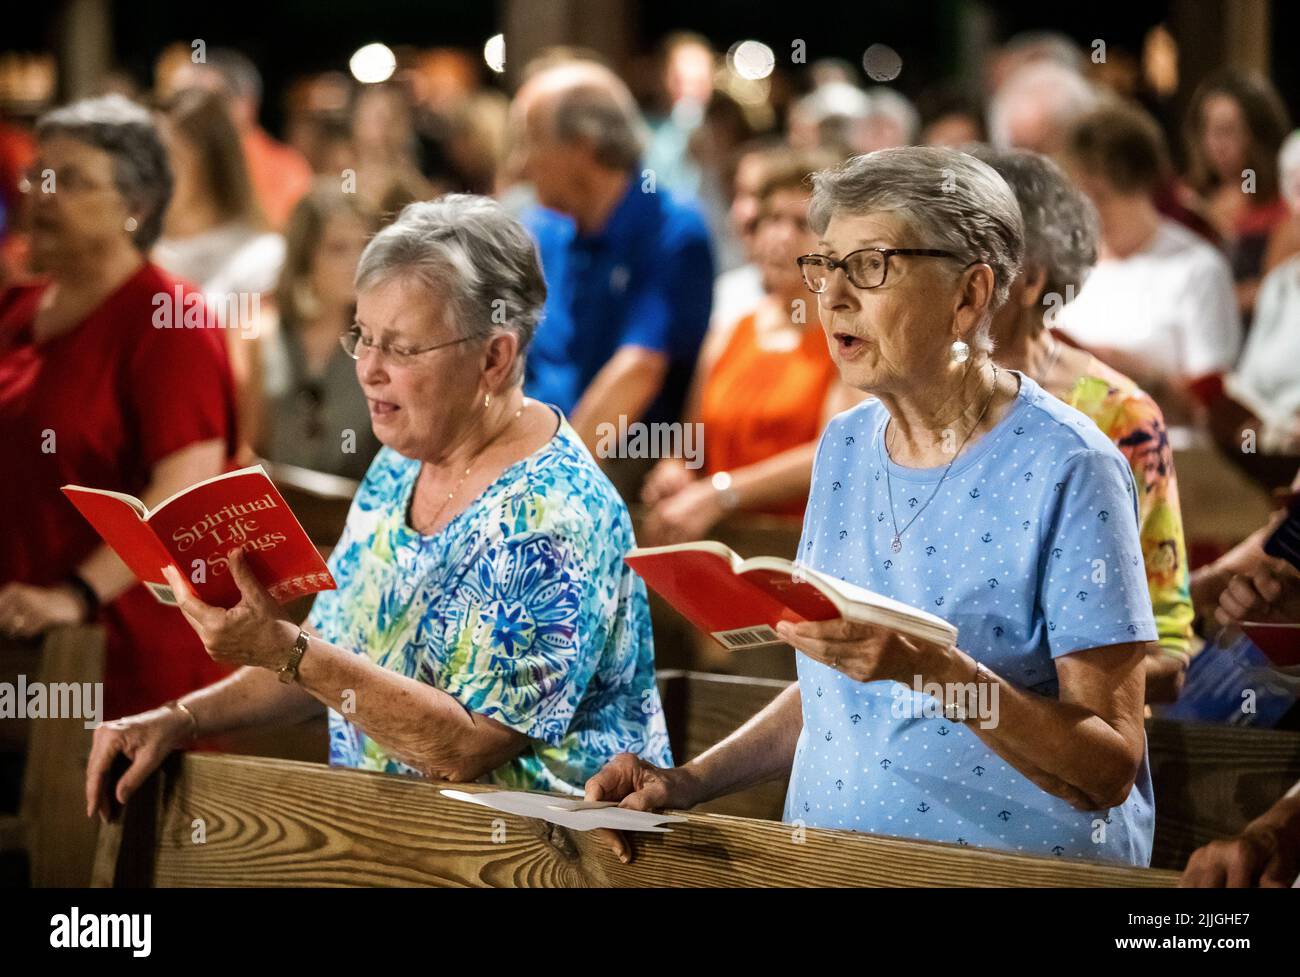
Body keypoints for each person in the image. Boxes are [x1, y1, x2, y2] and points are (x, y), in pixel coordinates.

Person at [588, 147, 1159, 866]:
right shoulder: (846, 445)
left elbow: (1105, 766)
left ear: (970, 295)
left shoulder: (1071, 466)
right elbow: (837, 691)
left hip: (1001, 875)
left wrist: (942, 673)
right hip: (830, 864)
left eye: (871, 266)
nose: (831, 297)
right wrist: (686, 781)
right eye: (824, 266)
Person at [85, 195, 672, 817]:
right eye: (362, 337)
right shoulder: (405, 458)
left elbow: (465, 747)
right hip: (388, 846)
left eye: (402, 349)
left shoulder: (557, 513)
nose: (368, 369)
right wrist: (180, 718)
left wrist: (287, 650)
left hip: (534, 859)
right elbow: (331, 646)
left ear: (494, 357)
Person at [0, 95, 237, 719]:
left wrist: (76, 595)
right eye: (36, 175)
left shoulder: (168, 318)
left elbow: (183, 491)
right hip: (21, 645)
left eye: (69, 181)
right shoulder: (19, 310)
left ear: (136, 206)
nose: (39, 195)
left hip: (121, 659)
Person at [971, 145, 1194, 702]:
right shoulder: (907, 400)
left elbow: (1167, 645)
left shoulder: (1119, 416)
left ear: (1026, 283)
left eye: (960, 262)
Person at [640, 149, 860, 543]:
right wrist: (675, 469)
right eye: (772, 219)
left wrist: (722, 493)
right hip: (718, 538)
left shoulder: (848, 334)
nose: (780, 236)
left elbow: (834, 455)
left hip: (798, 547)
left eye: (801, 223)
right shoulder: (731, 330)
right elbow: (692, 439)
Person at [511, 60, 714, 462]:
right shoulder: (541, 230)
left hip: (617, 459)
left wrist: (551, 479)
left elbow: (639, 370)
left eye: (531, 141)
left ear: (584, 146)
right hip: (534, 446)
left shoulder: (673, 230)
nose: (520, 164)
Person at [1057, 101, 1241, 424]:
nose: (1088, 211)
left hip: (1165, 454)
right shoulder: (1064, 265)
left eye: (1101, 195)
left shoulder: (1197, 268)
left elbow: (1212, 411)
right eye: (1079, 197)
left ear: (1140, 185)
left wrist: (1125, 371)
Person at [255, 182, 382, 479]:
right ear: (305, 257)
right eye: (338, 249)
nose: (357, 263)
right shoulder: (264, 334)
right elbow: (246, 447)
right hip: (277, 507)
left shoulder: (384, 344)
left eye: (365, 247)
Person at [1181, 69, 1295, 316]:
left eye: (1227, 131)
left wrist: (1210, 301)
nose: (1214, 144)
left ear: (1259, 134)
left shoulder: (1286, 203)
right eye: (1206, 130)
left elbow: (1278, 290)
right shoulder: (1189, 195)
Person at [170, 48, 313, 230]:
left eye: (204, 105)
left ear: (244, 106)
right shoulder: (171, 163)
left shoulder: (285, 170)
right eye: (177, 101)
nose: (185, 114)